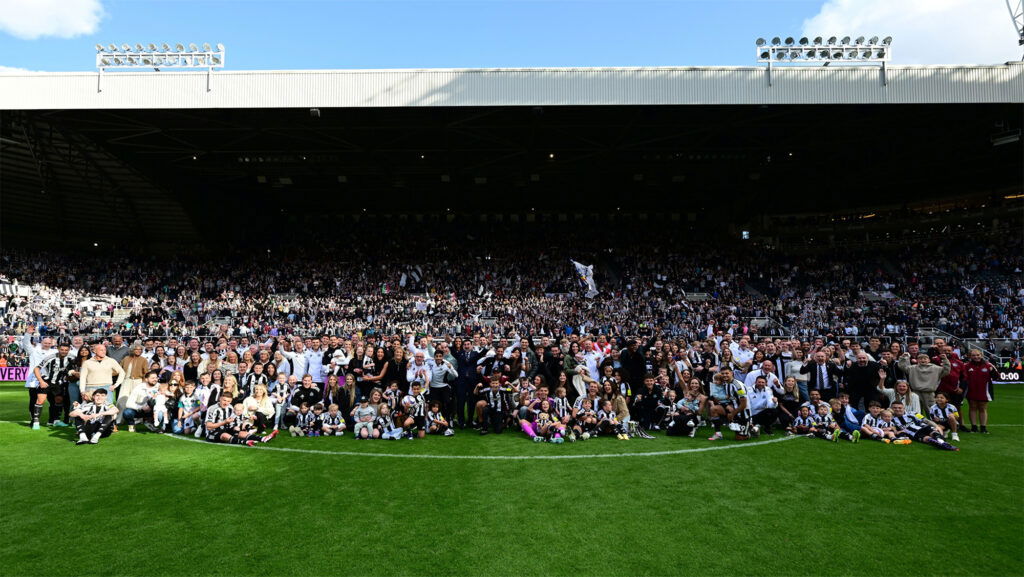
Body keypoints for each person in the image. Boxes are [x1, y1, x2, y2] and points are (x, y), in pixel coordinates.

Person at [205, 392, 276, 446]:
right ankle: (245, 442)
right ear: (220, 398)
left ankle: (263, 438)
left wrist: (248, 417)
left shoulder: (230, 407)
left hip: (226, 429)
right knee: (225, 435)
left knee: (241, 433)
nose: (226, 403)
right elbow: (208, 426)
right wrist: (224, 422)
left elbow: (237, 417)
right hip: (213, 433)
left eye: (228, 401)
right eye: (224, 400)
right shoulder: (212, 408)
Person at [890, 401, 958, 451]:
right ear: (891, 408)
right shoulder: (890, 418)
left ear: (904, 408)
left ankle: (941, 442)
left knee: (934, 432)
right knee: (926, 438)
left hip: (924, 427)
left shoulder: (913, 413)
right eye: (895, 408)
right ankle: (938, 442)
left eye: (899, 408)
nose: (897, 409)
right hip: (913, 433)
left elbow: (926, 420)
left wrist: (936, 426)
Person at [24, 326, 56, 430]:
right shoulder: (33, 351)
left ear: (51, 344)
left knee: (52, 400)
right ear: (41, 343)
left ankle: (52, 420)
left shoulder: (54, 352)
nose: (47, 344)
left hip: (50, 380)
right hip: (34, 379)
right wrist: (28, 334)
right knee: (33, 400)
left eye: (49, 343)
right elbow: (26, 344)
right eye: (45, 343)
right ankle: (34, 420)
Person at [40, 342, 73, 427]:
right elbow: (37, 368)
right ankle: (36, 421)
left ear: (69, 350)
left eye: (66, 350)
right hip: (47, 382)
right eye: (62, 349)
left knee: (57, 401)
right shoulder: (50, 358)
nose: (64, 351)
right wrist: (41, 380)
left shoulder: (72, 358)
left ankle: (53, 421)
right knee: (42, 401)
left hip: (59, 384)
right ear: (58, 349)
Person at [963, 349, 996, 434]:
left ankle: (983, 427)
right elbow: (964, 378)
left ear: (981, 355)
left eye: (978, 355)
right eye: (973, 355)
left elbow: (996, 377)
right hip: (971, 390)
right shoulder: (966, 366)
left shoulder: (988, 365)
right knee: (972, 407)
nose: (976, 357)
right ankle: (974, 427)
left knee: (982, 408)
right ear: (970, 356)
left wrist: (993, 370)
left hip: (984, 390)